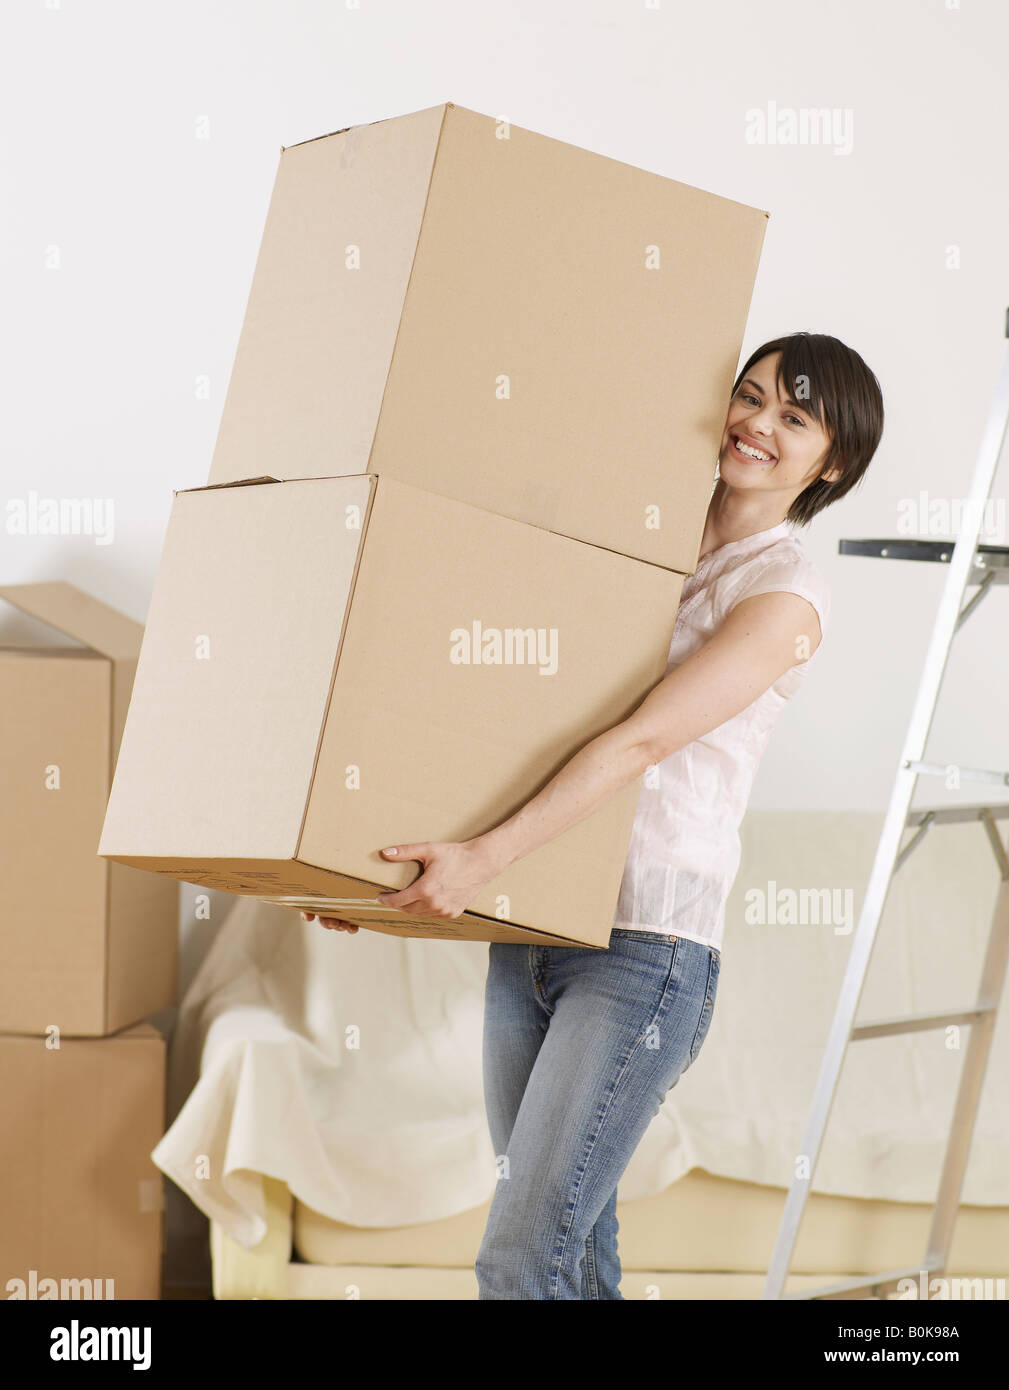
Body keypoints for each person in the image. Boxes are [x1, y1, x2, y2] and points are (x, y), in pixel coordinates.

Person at [301, 331, 885, 1300]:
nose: (754, 425)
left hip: (644, 955)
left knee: (522, 1256)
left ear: (834, 461)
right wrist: (369, 868)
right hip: (532, 932)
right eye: (747, 396)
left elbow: (638, 743)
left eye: (792, 416)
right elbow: (507, 719)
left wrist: (481, 856)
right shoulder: (629, 546)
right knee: (577, 1242)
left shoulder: (781, 597)